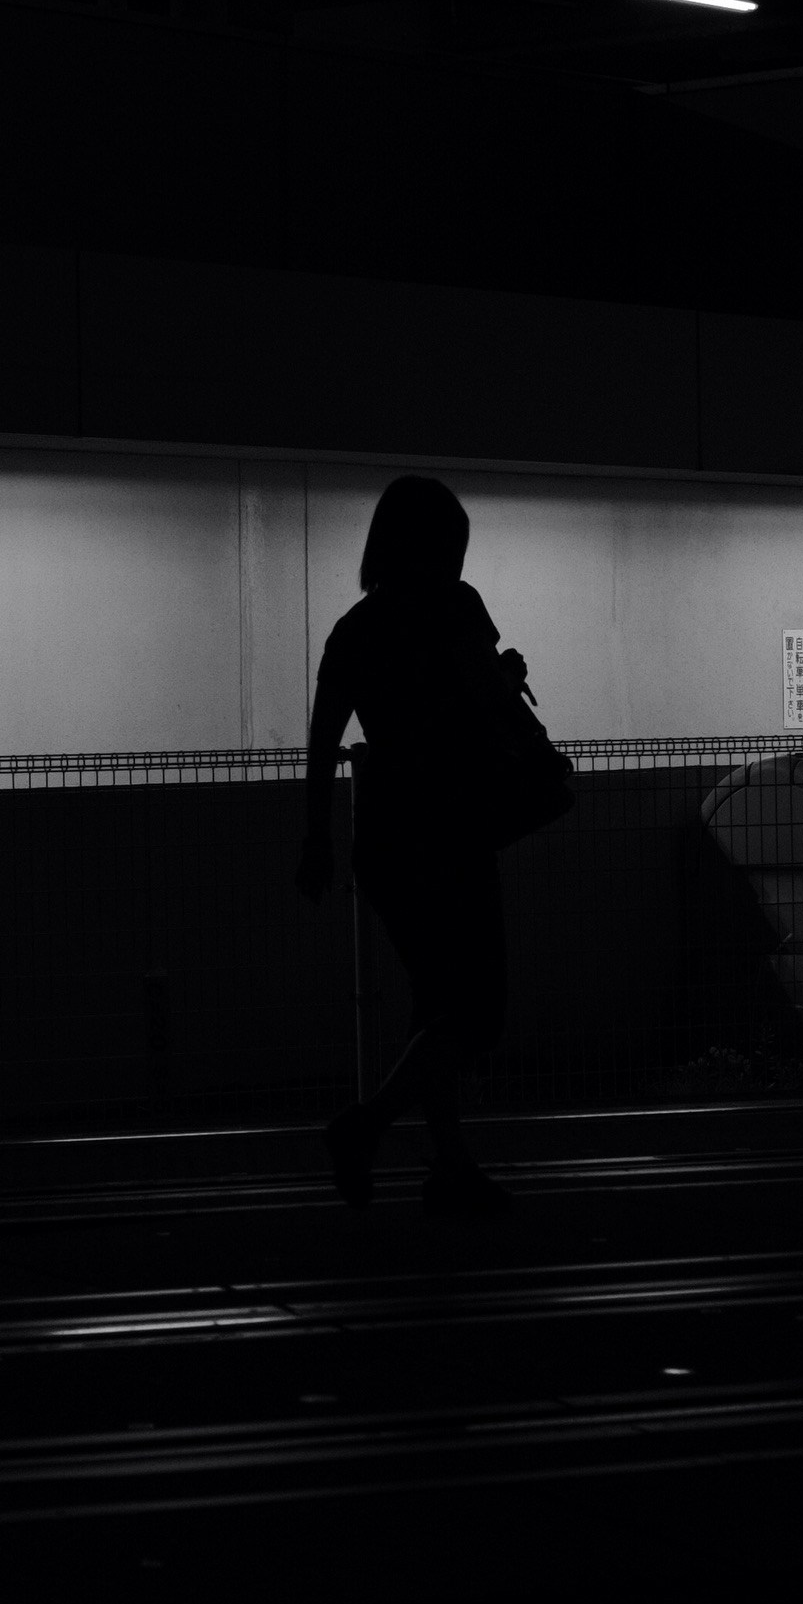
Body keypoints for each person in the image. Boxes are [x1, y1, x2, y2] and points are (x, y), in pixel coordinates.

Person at [295, 472, 515, 1215]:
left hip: (383, 836)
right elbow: (485, 704)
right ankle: (368, 1126)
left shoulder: (353, 630)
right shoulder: (455, 608)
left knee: (437, 1003)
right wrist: (506, 677)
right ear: (440, 544)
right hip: (450, 825)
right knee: (478, 1007)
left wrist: (314, 836)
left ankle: (451, 1165)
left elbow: (324, 738)